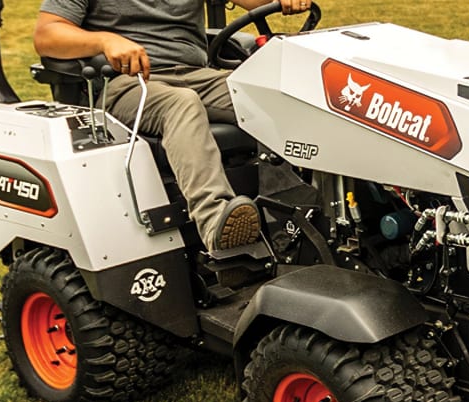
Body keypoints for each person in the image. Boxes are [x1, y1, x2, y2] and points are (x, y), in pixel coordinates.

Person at [34, 0, 313, 252]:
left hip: (199, 74)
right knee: (182, 102)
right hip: (126, 82)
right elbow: (47, 34)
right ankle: (215, 221)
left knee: (273, 96)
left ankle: (312, 210)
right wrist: (105, 41)